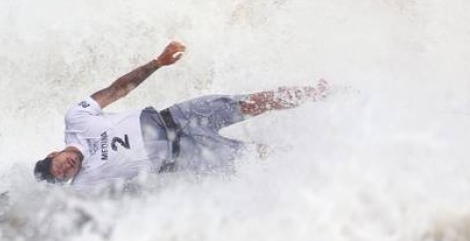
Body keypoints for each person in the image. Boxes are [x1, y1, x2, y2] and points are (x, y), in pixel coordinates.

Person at [33, 41, 329, 187]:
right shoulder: (86, 184)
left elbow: (117, 89)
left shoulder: (76, 120)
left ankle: (317, 92)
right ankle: (319, 158)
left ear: (53, 153)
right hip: (187, 155)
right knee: (258, 155)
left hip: (180, 116)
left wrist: (157, 62)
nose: (66, 167)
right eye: (63, 175)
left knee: (251, 103)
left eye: (58, 165)